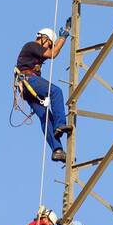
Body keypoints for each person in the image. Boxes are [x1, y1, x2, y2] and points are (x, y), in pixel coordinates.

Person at [15, 24, 73, 162]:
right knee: (55, 92)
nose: (48, 47)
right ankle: (60, 124)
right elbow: (53, 54)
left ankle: (57, 150)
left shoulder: (35, 53)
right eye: (49, 44)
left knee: (45, 116)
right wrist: (63, 38)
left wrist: (62, 35)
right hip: (29, 80)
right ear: (43, 38)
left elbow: (53, 50)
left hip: (26, 87)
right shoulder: (31, 45)